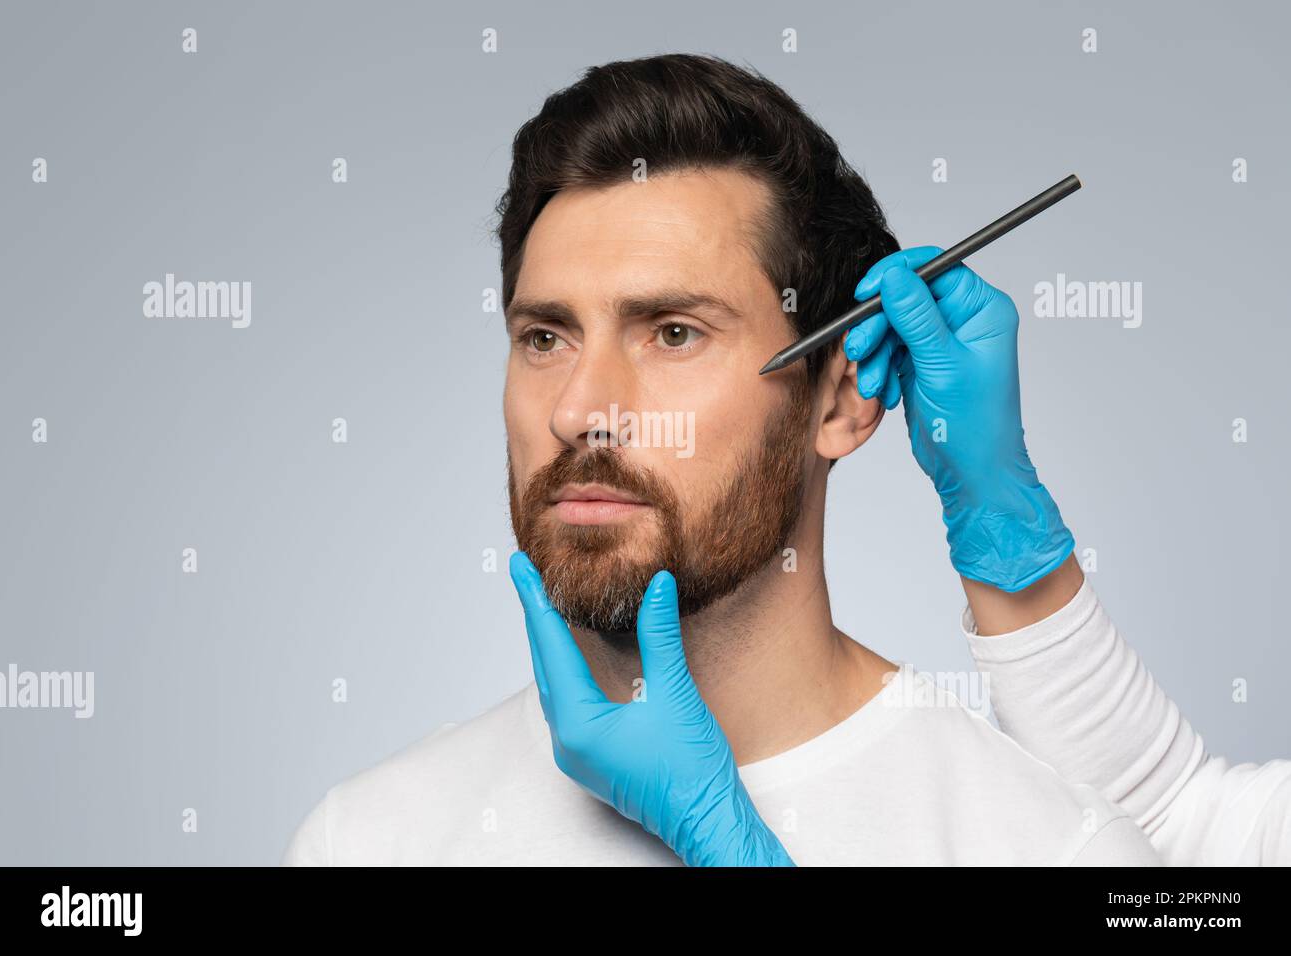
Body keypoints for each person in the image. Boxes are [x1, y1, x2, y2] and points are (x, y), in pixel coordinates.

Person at [281, 52, 1162, 866]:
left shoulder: (1046, 848)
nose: (579, 410)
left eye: (672, 333)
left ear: (842, 397)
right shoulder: (366, 840)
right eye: (545, 337)